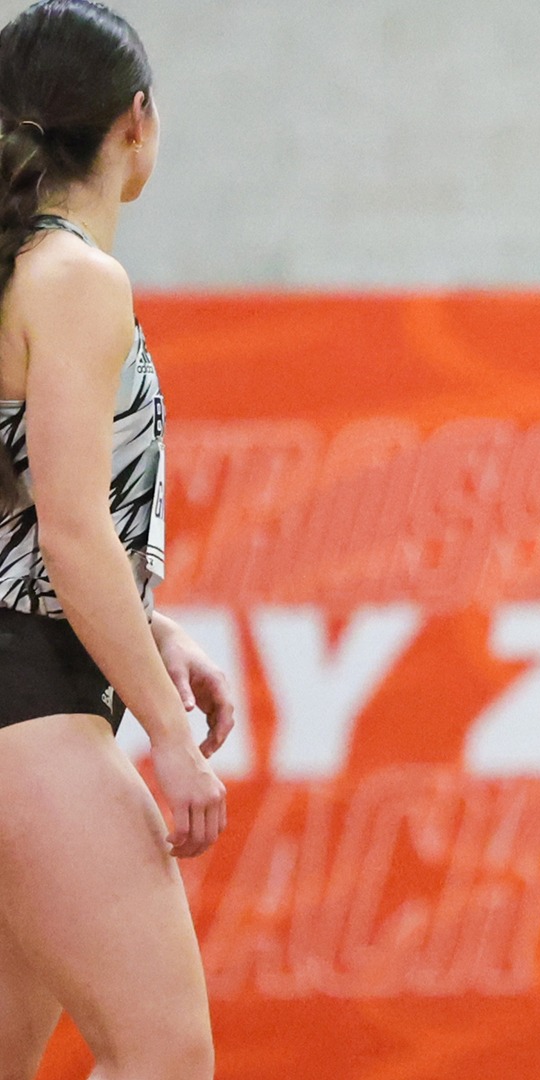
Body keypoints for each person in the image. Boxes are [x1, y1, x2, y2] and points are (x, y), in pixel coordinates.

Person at [0, 3, 234, 1078]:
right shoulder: (76, 278)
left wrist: (147, 623)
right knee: (164, 1054)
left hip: (23, 691)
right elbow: (74, 530)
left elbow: (35, 525)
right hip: (31, 703)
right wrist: (171, 737)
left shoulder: (19, 276)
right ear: (137, 119)